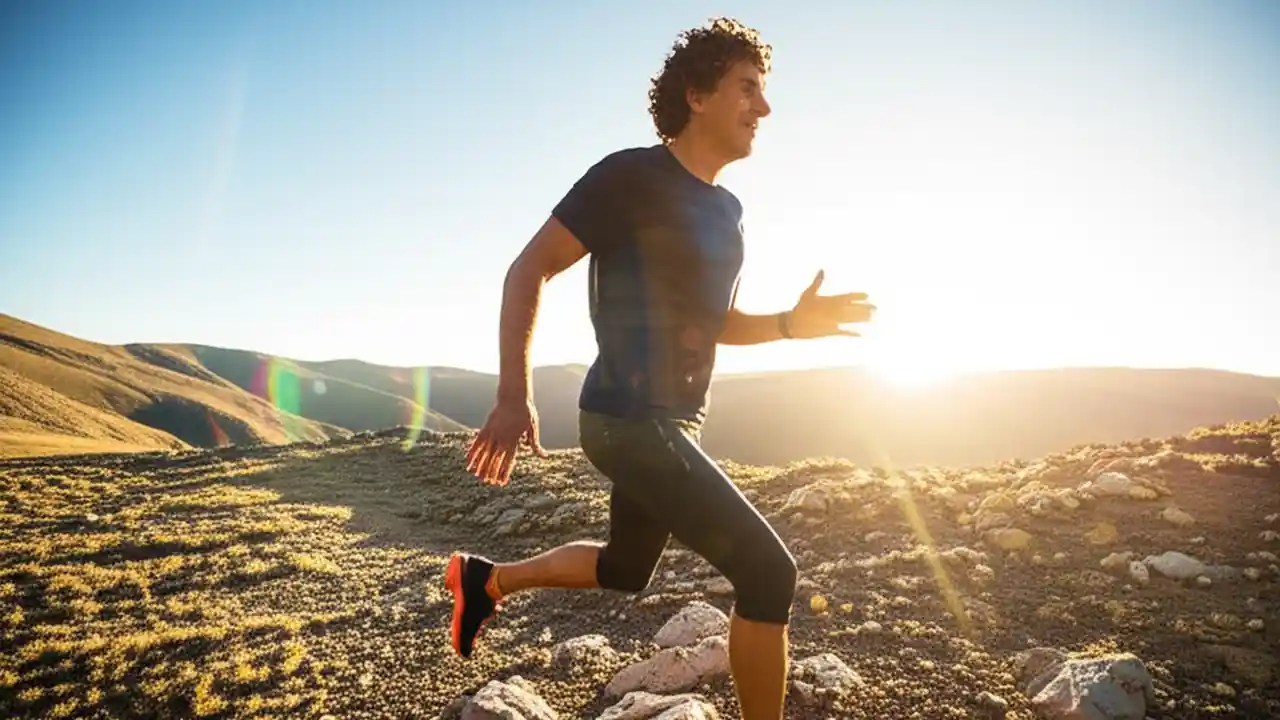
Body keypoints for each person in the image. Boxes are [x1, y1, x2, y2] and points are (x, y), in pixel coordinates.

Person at [445, 16, 875, 719]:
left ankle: (484, 581)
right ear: (698, 94)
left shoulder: (728, 212)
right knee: (770, 573)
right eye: (748, 89)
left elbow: (716, 325)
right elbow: (528, 270)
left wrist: (795, 324)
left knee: (624, 568)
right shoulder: (628, 177)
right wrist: (512, 397)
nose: (763, 108)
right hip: (625, 418)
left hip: (675, 422)